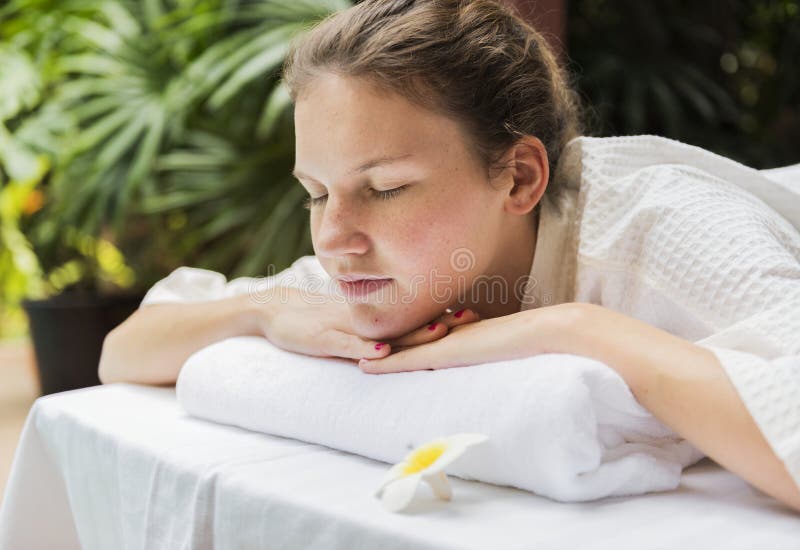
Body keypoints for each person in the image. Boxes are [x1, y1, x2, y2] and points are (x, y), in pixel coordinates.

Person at [98, 0, 800, 512]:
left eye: (386, 187)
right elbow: (125, 350)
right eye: (315, 193)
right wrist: (264, 308)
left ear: (519, 178)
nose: (335, 236)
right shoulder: (390, 256)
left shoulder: (666, 234)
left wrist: (573, 328)